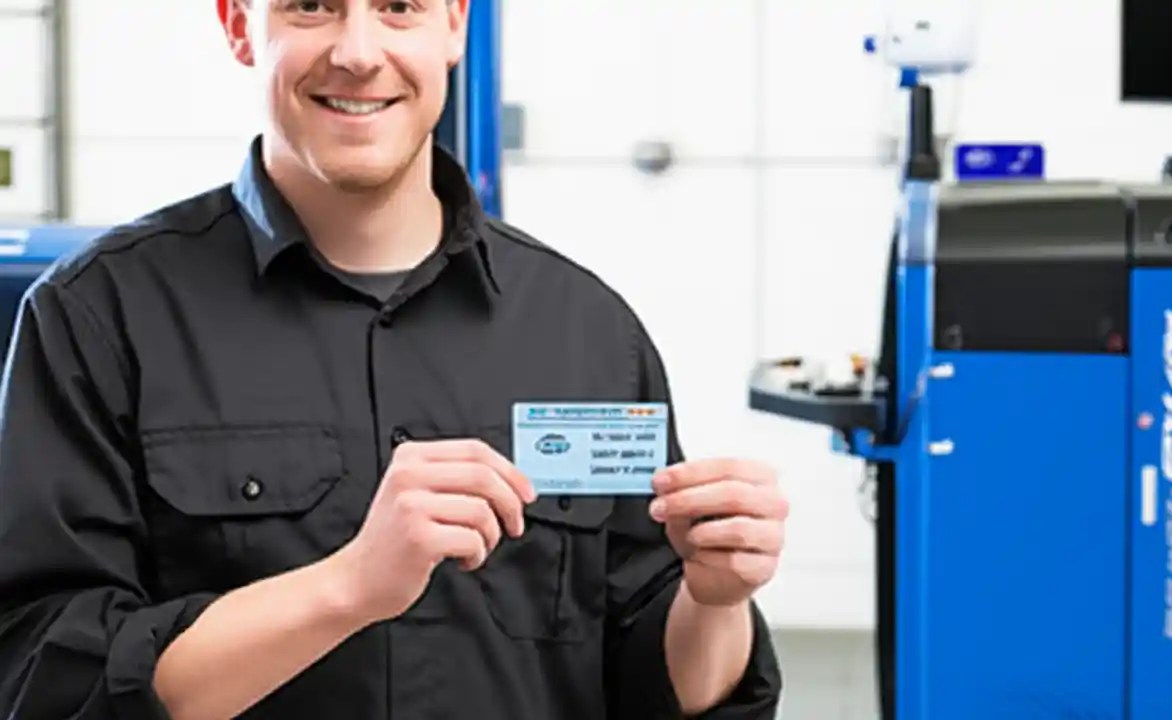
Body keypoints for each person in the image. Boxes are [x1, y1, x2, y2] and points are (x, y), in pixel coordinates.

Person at [0, 1, 789, 718]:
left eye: (398, 8)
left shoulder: (588, 330)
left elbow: (656, 687)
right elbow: (47, 682)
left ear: (452, 24)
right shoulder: (98, 318)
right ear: (239, 24)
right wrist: (348, 587)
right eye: (311, 7)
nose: (358, 51)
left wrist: (714, 600)